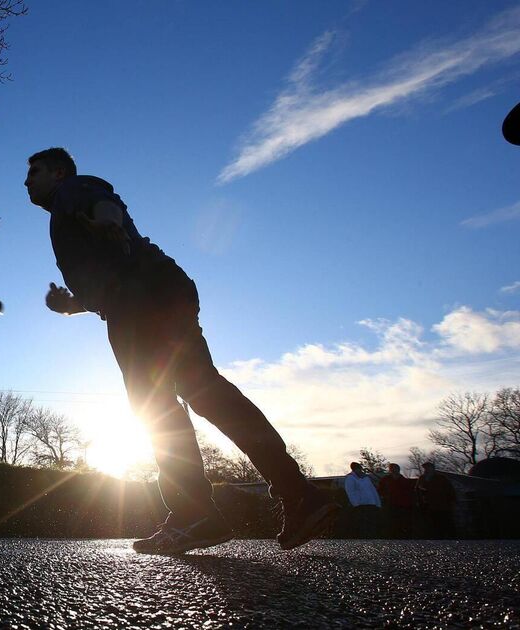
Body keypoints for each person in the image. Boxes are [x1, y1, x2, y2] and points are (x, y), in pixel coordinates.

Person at [24, 148, 339, 554]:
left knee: (154, 406)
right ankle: (299, 496)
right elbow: (110, 271)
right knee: (206, 392)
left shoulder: (73, 190)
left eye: (34, 172)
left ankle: (197, 516)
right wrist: (73, 304)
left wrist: (107, 221)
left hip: (140, 302)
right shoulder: (67, 213)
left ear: (59, 172)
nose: (27, 182)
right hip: (159, 290)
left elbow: (103, 203)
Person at [416, 462, 457, 539]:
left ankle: (452, 538)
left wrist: (452, 501)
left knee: (447, 522)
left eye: (428, 467)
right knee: (433, 523)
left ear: (432, 468)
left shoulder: (441, 478)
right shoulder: (422, 478)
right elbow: (418, 490)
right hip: (429, 505)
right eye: (425, 468)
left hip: (443, 505)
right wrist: (420, 502)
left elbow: (450, 490)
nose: (426, 469)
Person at [376, 463, 416, 538]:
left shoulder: (404, 480)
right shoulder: (385, 479)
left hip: (403, 505)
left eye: (395, 468)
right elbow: (380, 490)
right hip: (389, 505)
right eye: (392, 469)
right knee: (391, 522)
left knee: (403, 521)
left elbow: (409, 492)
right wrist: (384, 497)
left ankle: (403, 536)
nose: (394, 470)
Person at [343, 462, 382, 538]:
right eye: (357, 468)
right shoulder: (350, 478)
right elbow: (351, 492)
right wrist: (356, 504)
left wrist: (377, 502)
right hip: (361, 505)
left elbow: (372, 490)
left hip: (371, 503)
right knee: (362, 524)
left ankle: (372, 538)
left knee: (372, 523)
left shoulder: (366, 477)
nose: (359, 470)